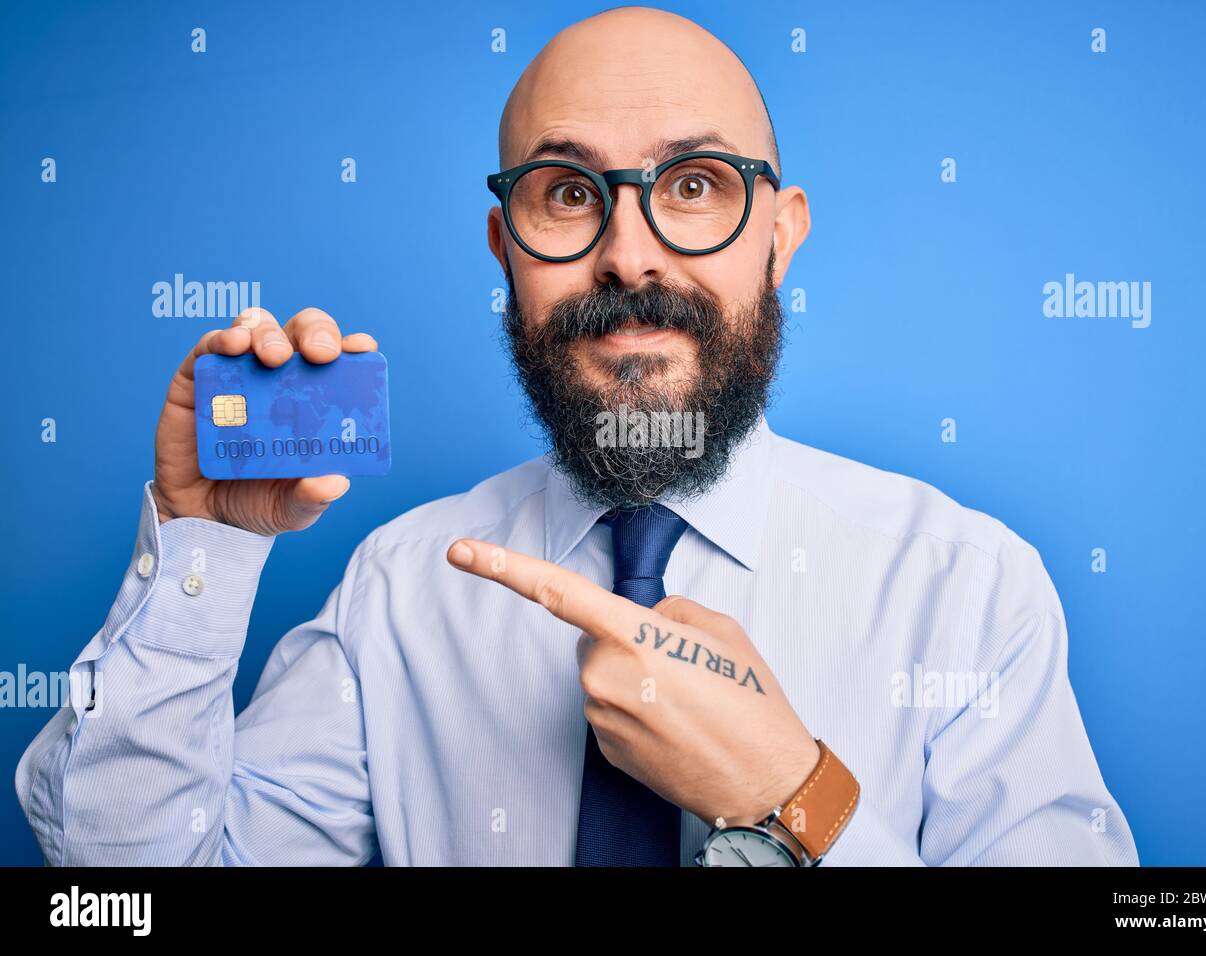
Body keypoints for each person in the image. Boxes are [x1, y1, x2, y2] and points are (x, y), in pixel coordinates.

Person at [15, 6, 1139, 866]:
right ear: (506, 249)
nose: (631, 255)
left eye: (694, 186)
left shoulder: (967, 586)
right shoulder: (399, 592)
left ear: (780, 237)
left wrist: (795, 794)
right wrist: (205, 549)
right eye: (568, 194)